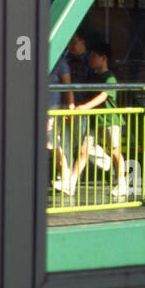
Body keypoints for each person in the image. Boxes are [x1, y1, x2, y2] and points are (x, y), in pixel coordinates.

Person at [59, 41, 125, 199]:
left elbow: (103, 96)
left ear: (103, 58)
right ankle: (71, 183)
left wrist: (85, 107)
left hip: (109, 120)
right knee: (83, 151)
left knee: (115, 151)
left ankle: (121, 182)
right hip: (95, 121)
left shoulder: (110, 78)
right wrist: (82, 108)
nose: (91, 60)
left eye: (94, 57)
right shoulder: (95, 77)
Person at [48, 30, 86, 187]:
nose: (70, 46)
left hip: (76, 108)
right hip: (62, 109)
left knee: (82, 145)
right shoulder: (68, 60)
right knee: (62, 143)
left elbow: (68, 87)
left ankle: (67, 177)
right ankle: (65, 178)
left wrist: (71, 107)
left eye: (73, 42)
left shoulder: (62, 63)